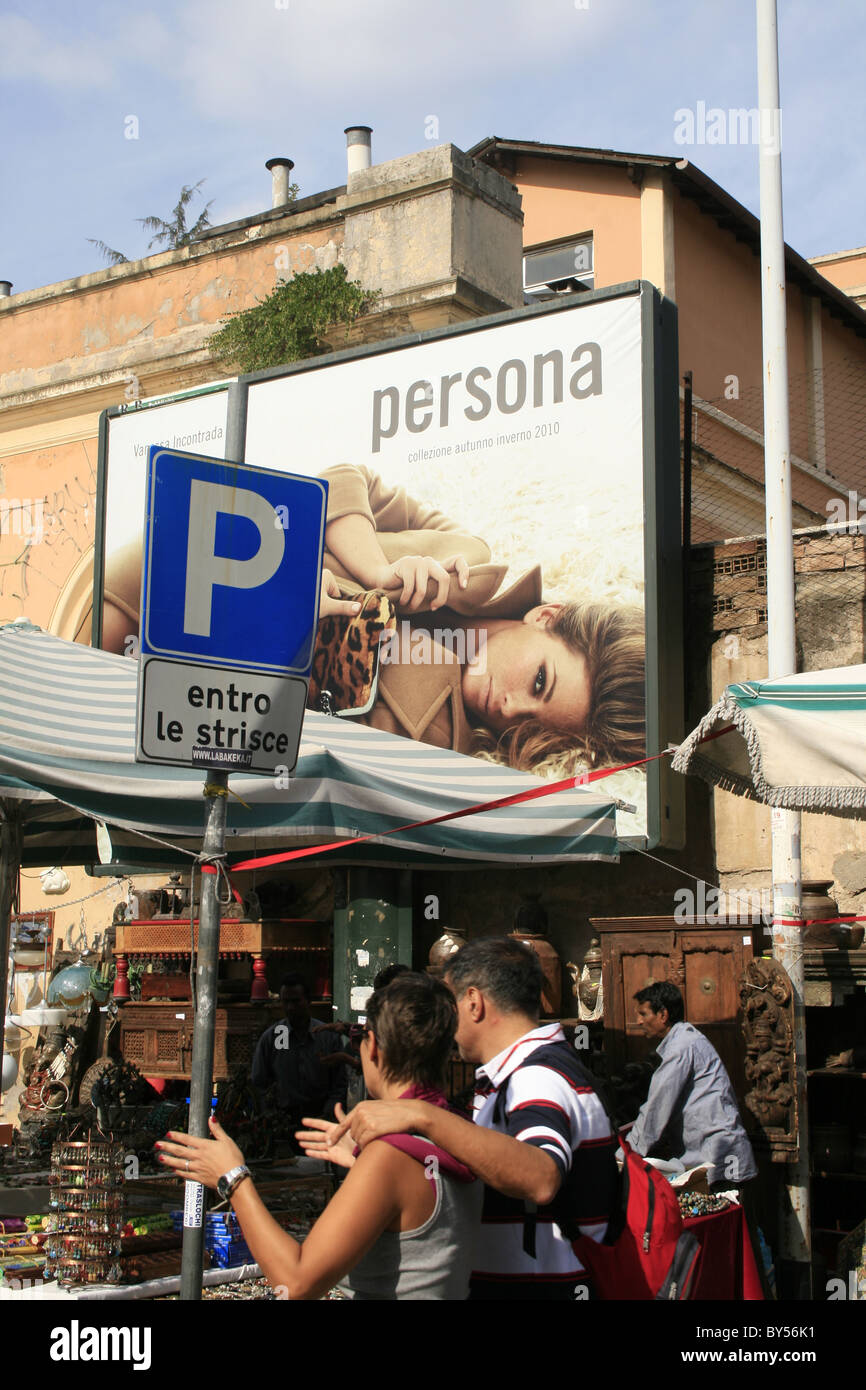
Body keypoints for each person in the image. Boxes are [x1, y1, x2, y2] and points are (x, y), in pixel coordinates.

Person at [303, 937, 618, 1300]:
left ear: (473, 1002)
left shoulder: (537, 1077)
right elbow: (482, 1167)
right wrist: (374, 1158)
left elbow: (540, 1177)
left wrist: (423, 1116)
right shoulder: (519, 1073)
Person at [157, 973, 483, 1300]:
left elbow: (296, 1283)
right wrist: (363, 1161)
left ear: (374, 1052)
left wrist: (233, 1178)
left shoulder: (392, 1157)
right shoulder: (457, 1138)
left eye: (360, 1035)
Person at [315, 464, 645, 771]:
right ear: (546, 616)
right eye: (539, 682)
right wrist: (377, 572)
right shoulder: (468, 557)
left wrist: (293, 613)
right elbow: (341, 481)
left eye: (533, 729)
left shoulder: (438, 743)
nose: (510, 709)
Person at [628, 981, 757, 1191]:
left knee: (725, 1220)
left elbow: (657, 1108)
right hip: (717, 1155)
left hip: (720, 1156)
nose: (639, 1021)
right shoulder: (686, 1040)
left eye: (643, 1014)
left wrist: (626, 1154)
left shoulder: (681, 1047)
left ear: (663, 1015)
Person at [250, 973, 347, 1127]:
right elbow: (259, 1080)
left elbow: (340, 1083)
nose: (290, 1007)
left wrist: (330, 1111)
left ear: (308, 1001)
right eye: (286, 1002)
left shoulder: (326, 1037)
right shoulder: (276, 1036)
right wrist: (269, 1113)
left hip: (321, 1117)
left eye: (296, 1001)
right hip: (283, 1121)